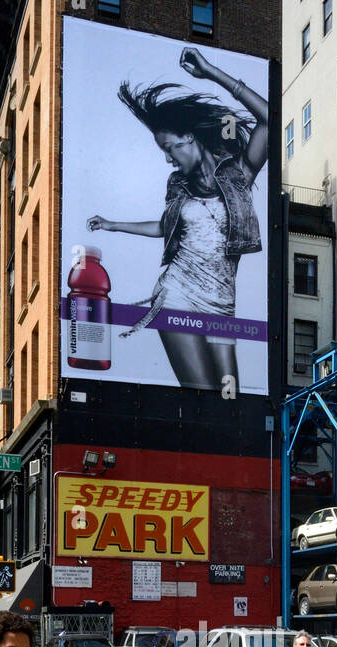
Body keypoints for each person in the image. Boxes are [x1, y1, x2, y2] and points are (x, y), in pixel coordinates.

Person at [88, 46, 268, 390]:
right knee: (203, 395)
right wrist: (112, 224)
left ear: (189, 137)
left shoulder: (238, 175)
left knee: (230, 401)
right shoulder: (177, 186)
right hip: (177, 294)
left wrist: (211, 71)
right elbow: (164, 227)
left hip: (221, 303)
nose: (169, 159)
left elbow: (268, 118)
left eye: (170, 148)